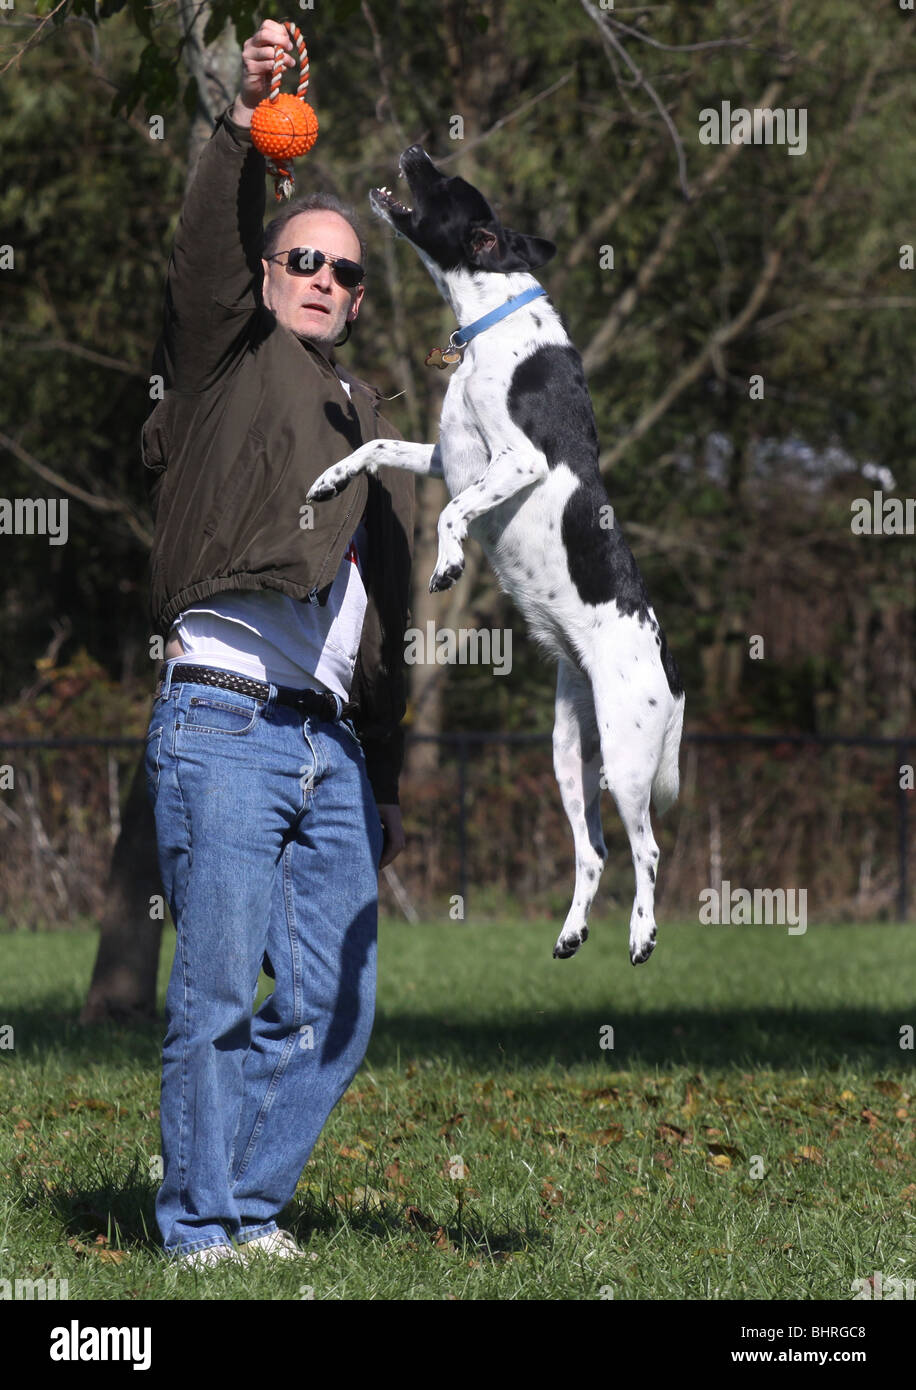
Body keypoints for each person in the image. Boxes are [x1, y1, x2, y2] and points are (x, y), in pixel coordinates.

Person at [141, 19, 414, 1266]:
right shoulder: (222, 363)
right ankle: (199, 1227)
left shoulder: (365, 413)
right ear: (266, 273)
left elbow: (390, 619)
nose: (321, 277)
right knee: (213, 995)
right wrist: (244, 127)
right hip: (225, 718)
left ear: (359, 297)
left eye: (344, 272)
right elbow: (206, 242)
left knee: (337, 1003)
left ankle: (249, 1205)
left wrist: (386, 776)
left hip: (329, 745)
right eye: (300, 256)